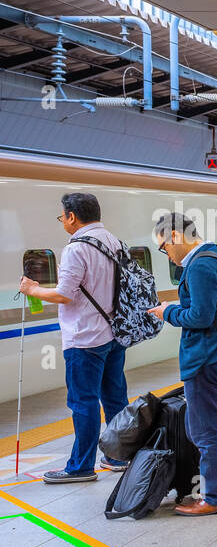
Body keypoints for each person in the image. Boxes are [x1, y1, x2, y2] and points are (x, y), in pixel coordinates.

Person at [17, 193, 129, 483]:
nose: (63, 221)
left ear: (72, 217)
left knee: (84, 402)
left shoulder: (76, 248)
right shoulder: (113, 241)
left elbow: (64, 294)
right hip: (114, 334)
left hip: (85, 339)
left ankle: (80, 466)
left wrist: (33, 290)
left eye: (62, 216)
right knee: (115, 398)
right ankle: (119, 456)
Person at [148, 213, 217, 515]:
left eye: (164, 247)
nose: (167, 253)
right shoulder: (216, 257)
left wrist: (167, 313)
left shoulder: (202, 266)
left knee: (204, 431)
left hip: (206, 357)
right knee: (205, 427)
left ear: (176, 236)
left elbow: (200, 317)